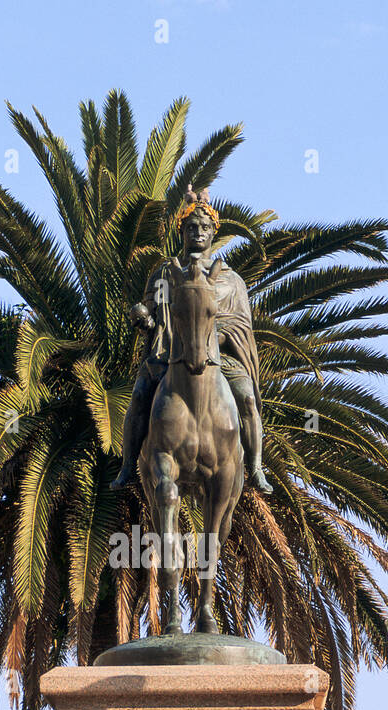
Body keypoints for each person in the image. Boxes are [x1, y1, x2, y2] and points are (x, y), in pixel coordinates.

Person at [112, 186, 272, 495]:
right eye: (191, 227)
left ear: (214, 232)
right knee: (141, 395)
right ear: (182, 232)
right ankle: (128, 466)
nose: (198, 232)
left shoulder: (231, 280)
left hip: (217, 357)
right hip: (169, 354)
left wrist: (215, 335)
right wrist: (143, 316)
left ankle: (254, 466)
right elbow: (154, 311)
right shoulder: (163, 274)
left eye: (204, 227)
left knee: (248, 398)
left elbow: (241, 324)